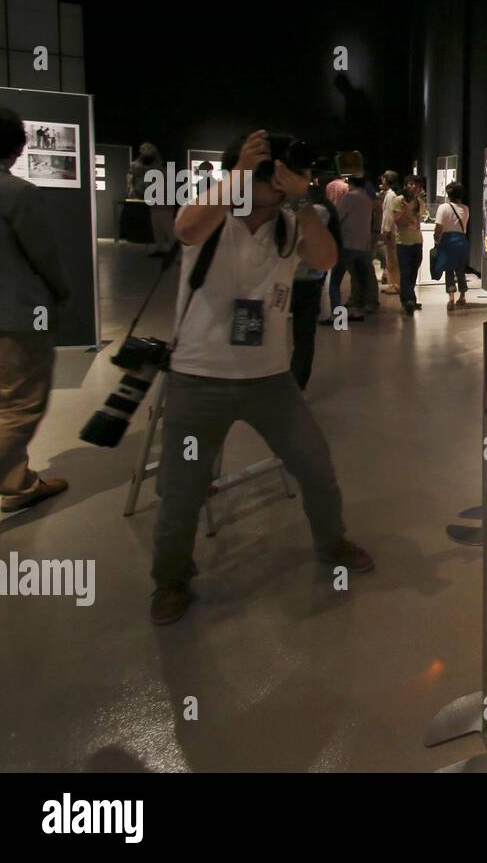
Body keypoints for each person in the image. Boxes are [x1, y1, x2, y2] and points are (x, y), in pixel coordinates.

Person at [149, 129, 373, 624]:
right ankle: (170, 578)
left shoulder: (291, 225)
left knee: (315, 465)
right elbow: (186, 228)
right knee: (183, 488)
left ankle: (331, 541)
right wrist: (238, 176)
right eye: (271, 174)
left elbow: (326, 259)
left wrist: (305, 198)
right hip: (198, 376)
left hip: (269, 379)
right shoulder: (212, 214)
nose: (279, 183)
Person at [0, 108, 70, 519]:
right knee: (19, 409)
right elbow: (43, 256)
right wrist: (61, 293)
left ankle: (17, 483)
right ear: (17, 146)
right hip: (15, 316)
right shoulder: (15, 193)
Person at [291, 177, 340, 389]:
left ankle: (336, 318)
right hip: (308, 277)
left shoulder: (317, 212)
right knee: (304, 337)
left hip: (300, 276)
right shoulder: (323, 211)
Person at [327, 169, 377, 321]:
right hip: (363, 245)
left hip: (347, 243)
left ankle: (337, 314)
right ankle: (357, 310)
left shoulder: (349, 197)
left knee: (335, 281)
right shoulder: (367, 199)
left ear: (351, 183)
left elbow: (338, 217)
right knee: (361, 278)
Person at [130, 142, 175, 257]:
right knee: (157, 228)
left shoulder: (163, 171)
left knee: (168, 228)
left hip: (165, 204)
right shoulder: (152, 171)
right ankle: (161, 249)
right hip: (156, 204)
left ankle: (175, 251)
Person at [433, 181, 470, 310]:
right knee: (460, 269)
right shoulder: (465, 208)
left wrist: (436, 238)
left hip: (448, 241)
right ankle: (463, 296)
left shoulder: (443, 207)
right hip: (461, 240)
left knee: (449, 269)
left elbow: (439, 226)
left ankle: (451, 297)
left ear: (448, 194)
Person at [392, 175, 425, 314]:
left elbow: (419, 220)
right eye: (411, 184)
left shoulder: (419, 202)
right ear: (405, 185)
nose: (414, 187)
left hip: (417, 241)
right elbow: (397, 221)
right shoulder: (398, 200)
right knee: (405, 272)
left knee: (413, 272)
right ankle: (408, 300)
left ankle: (409, 298)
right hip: (403, 242)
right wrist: (405, 210)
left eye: (416, 185)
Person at [377, 171, 401, 295]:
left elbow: (388, 215)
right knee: (391, 259)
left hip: (391, 232)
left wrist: (385, 231)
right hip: (393, 231)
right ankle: (393, 283)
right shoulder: (392, 194)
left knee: (392, 259)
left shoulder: (390, 195)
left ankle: (395, 285)